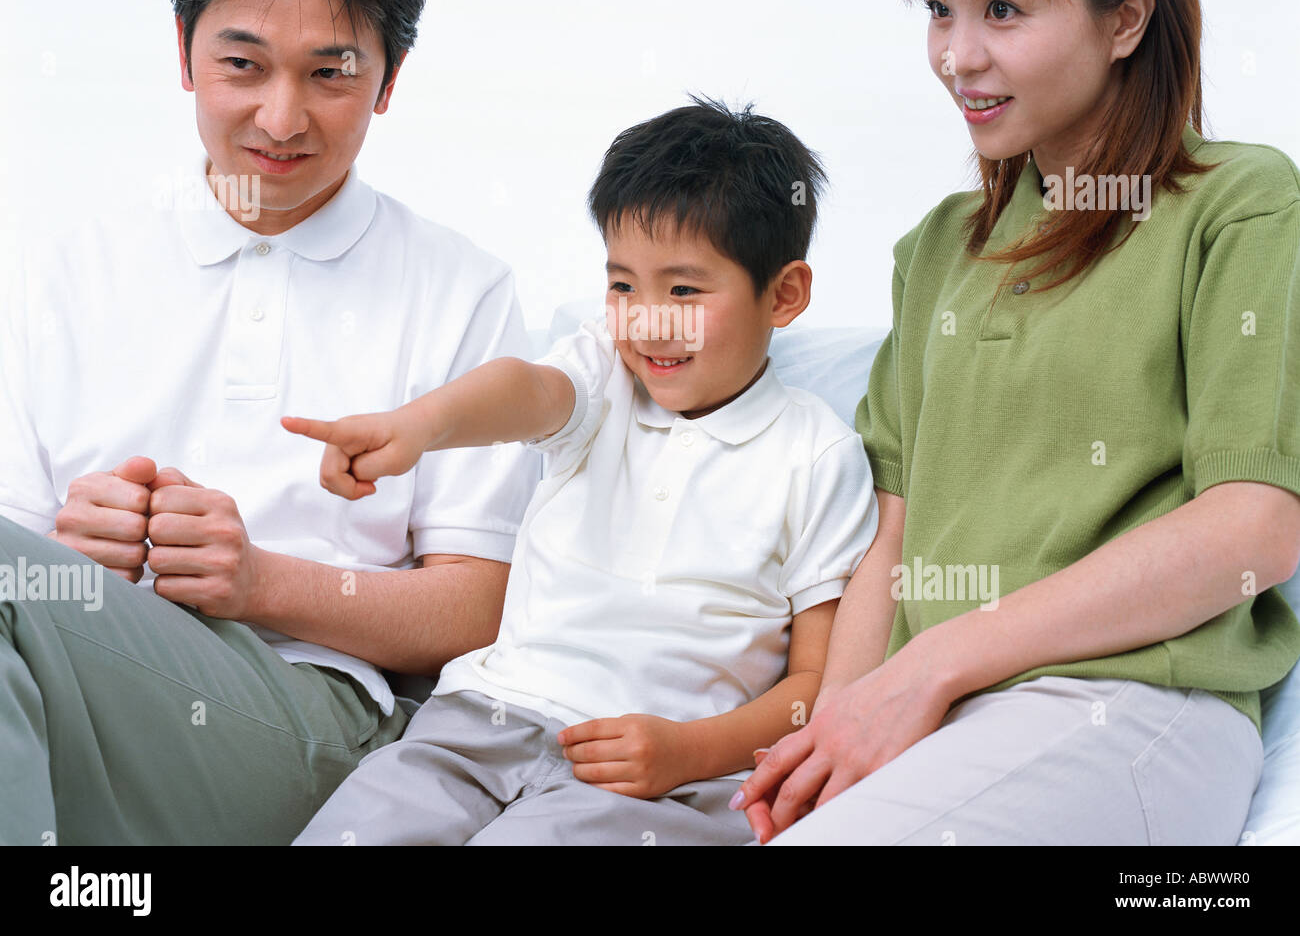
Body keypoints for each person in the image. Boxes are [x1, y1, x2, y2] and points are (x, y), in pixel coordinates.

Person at [733, 0, 1300, 845]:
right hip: (940, 718)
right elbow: (893, 540)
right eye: (940, 10)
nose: (958, 55)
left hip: (1129, 706)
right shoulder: (939, 249)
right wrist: (838, 729)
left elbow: (1252, 530)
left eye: (1001, 8)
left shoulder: (1240, 204)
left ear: (1124, 19)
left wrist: (931, 666)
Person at [0, 0, 539, 844]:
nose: (282, 119)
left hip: (310, 717)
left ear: (389, 81)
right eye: (243, 65)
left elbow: (484, 604)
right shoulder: (67, 273)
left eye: (330, 73)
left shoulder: (461, 288)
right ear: (184, 52)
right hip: (72, 688)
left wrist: (261, 583)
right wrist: (70, 566)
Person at [285, 98, 880, 845]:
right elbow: (527, 391)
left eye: (684, 291)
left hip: (657, 781)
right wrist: (421, 425)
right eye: (623, 285)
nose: (646, 321)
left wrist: (689, 751)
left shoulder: (818, 455)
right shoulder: (604, 371)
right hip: (478, 724)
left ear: (784, 294)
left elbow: (813, 687)